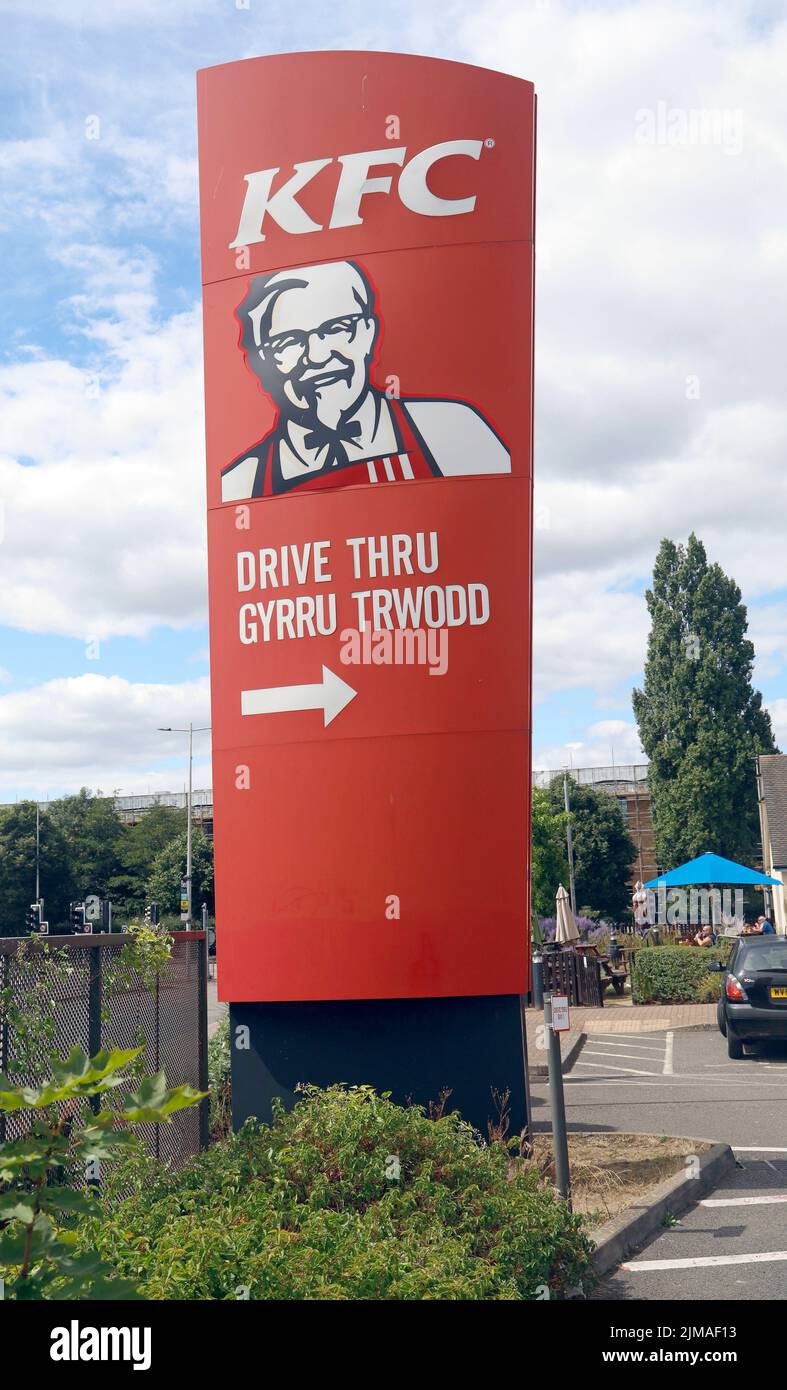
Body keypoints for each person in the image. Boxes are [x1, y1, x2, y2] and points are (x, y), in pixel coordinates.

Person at [221, 259, 511, 501]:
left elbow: (496, 537)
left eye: (337, 328)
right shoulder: (242, 482)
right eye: (287, 342)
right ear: (260, 362)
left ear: (368, 333)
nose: (318, 356)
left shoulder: (451, 429)